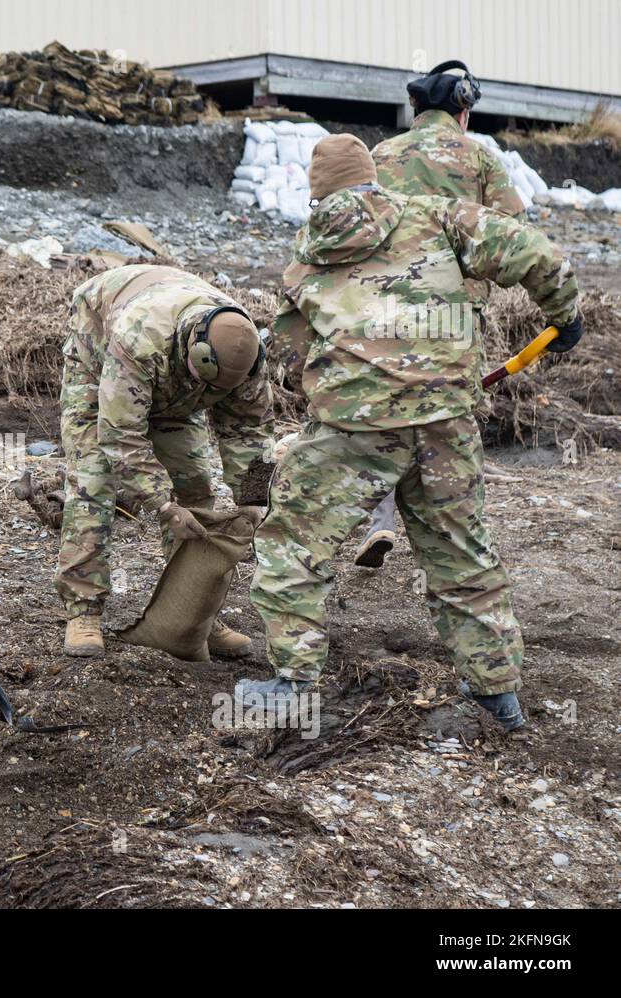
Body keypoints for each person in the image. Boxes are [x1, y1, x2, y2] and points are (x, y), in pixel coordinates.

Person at [244, 134, 582, 732]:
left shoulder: (304, 258)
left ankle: (292, 687)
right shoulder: (439, 216)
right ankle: (496, 701)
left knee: (293, 548)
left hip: (352, 429)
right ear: (374, 178)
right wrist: (565, 316)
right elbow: (534, 251)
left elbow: (284, 355)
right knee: (460, 556)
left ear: (316, 194)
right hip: (443, 424)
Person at [352, 60, 527, 568]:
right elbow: (511, 232)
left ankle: (379, 520)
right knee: (446, 419)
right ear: (464, 109)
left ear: (415, 108)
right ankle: (451, 538)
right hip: (451, 314)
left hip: (382, 304)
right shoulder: (480, 158)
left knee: (382, 411)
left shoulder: (379, 154)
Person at [55, 264, 272, 659]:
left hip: (175, 389)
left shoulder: (247, 357)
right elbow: (121, 435)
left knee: (196, 492)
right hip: (100, 363)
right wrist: (162, 504)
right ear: (195, 352)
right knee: (94, 483)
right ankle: (83, 609)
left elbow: (250, 432)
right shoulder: (140, 338)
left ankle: (193, 615)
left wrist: (254, 498)